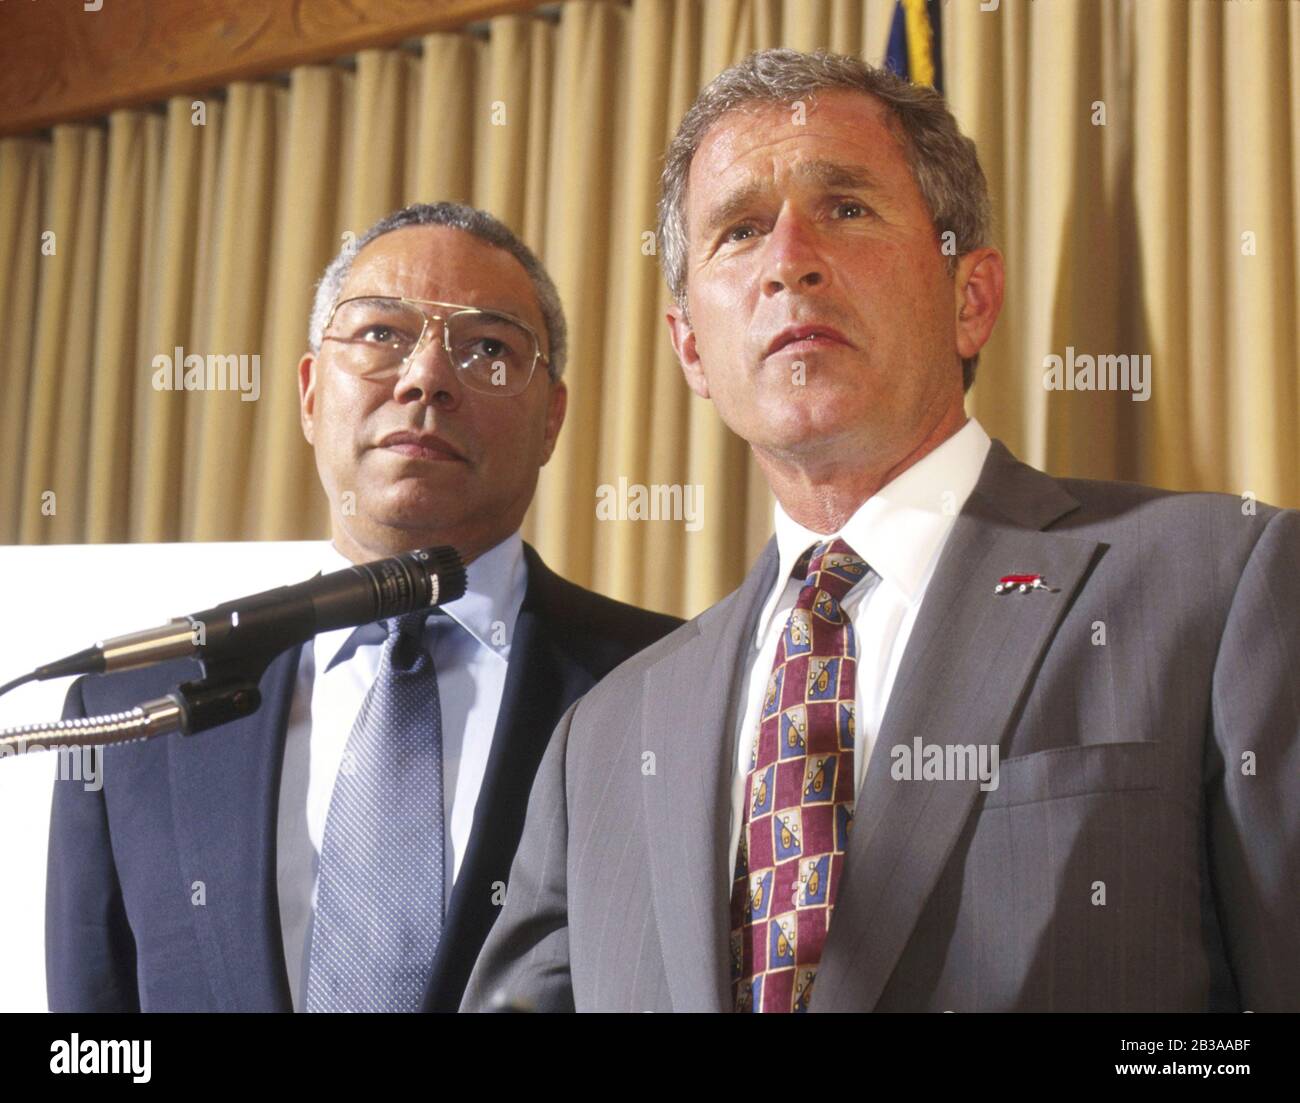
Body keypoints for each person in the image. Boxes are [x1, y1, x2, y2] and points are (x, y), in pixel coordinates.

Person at [461, 50, 1300, 1012]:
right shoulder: (601, 740)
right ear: (691, 345)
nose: (788, 261)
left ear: (970, 297)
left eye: (847, 208)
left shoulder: (1224, 583)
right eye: (739, 231)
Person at [44, 202, 682, 1012]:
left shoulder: (666, 686)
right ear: (311, 392)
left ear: (551, 418)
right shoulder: (128, 709)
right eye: (382, 333)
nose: (426, 378)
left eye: (488, 348)